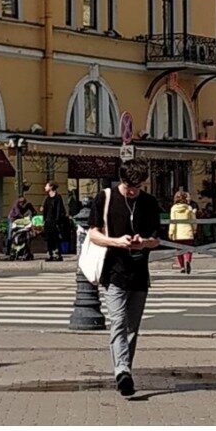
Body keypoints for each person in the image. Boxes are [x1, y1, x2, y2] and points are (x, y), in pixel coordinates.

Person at [87, 158, 162, 398]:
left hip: (139, 274)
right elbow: (93, 234)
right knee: (118, 321)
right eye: (130, 187)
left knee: (132, 327)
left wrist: (144, 242)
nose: (133, 192)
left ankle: (125, 369)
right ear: (122, 181)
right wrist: (116, 242)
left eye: (138, 187)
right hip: (113, 271)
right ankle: (122, 372)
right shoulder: (105, 197)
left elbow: (156, 239)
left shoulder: (149, 203)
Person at [168, 190, 196, 274]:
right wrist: (194, 229)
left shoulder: (173, 208)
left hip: (178, 233)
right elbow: (193, 220)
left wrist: (171, 232)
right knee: (188, 249)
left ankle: (182, 267)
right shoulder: (189, 208)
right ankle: (187, 260)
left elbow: (172, 221)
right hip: (188, 232)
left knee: (179, 250)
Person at [41, 182, 68, 261]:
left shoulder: (58, 197)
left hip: (55, 222)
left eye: (46, 185)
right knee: (49, 239)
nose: (45, 187)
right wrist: (44, 219)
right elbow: (44, 210)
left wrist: (57, 221)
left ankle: (57, 254)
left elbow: (59, 210)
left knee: (56, 239)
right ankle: (50, 254)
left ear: (51, 187)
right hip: (48, 221)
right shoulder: (47, 198)